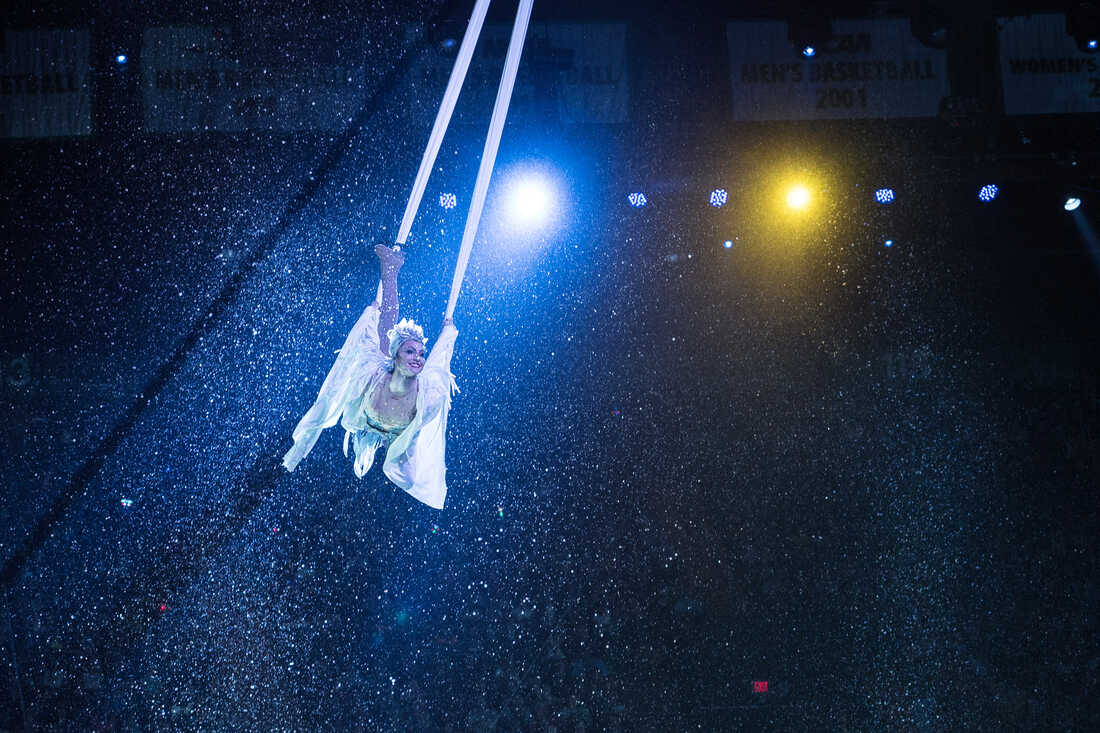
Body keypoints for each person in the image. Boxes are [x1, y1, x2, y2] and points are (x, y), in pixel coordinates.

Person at [282, 244, 459, 509]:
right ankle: (391, 269)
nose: (418, 358)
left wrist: (448, 335)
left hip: (396, 434)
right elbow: (337, 389)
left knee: (409, 478)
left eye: (420, 353)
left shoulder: (427, 396)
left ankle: (390, 271)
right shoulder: (374, 372)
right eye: (410, 352)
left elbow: (437, 365)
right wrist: (372, 314)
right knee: (383, 327)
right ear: (397, 356)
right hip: (367, 415)